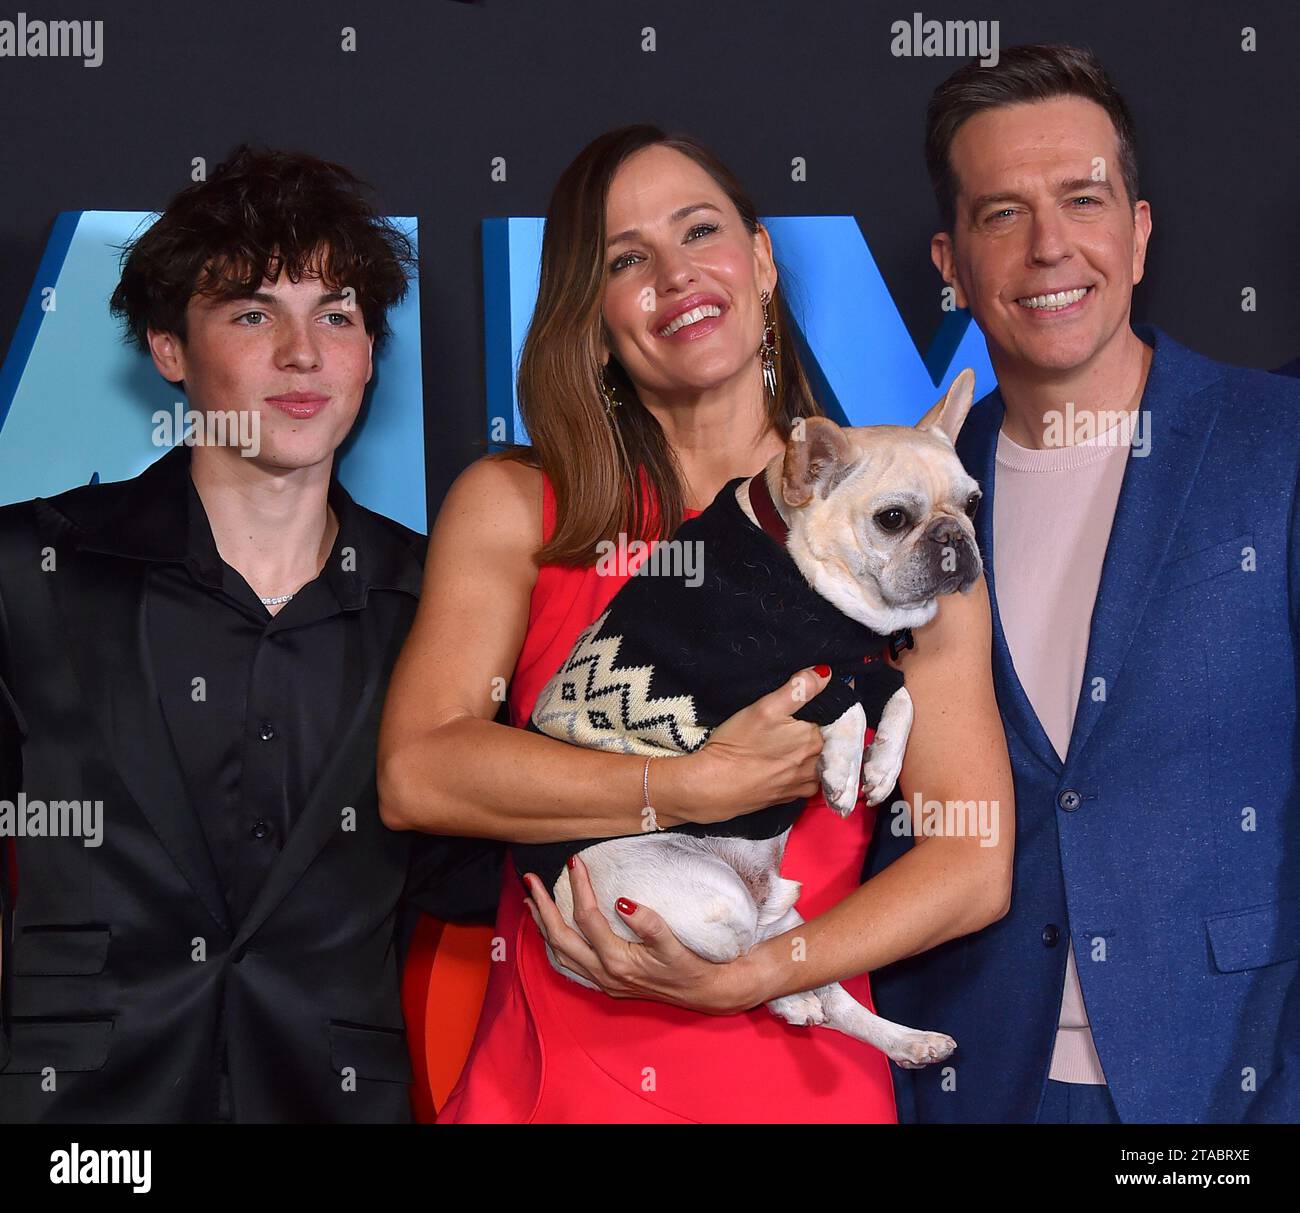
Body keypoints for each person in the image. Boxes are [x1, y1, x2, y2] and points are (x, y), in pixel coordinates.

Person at [378, 124, 1014, 1123]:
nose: (677, 276)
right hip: (550, 1080)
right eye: (628, 259)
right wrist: (684, 784)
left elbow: (970, 860)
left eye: (700, 232)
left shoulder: (900, 511)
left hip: (791, 1074)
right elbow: (418, 774)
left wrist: (758, 970)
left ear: (761, 262)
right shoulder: (517, 504)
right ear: (592, 312)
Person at [0, 145, 503, 1123]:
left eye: (338, 316)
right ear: (168, 346)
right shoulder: (28, 569)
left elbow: (495, 869)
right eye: (251, 312)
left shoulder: (443, 601)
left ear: (367, 354)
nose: (302, 353)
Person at [866, 43, 1300, 1124]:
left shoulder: (1276, 444)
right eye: (1001, 213)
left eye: (1081, 199)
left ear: (1139, 233)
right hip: (968, 1072)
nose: (1049, 244)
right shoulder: (904, 495)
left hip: (1226, 1077)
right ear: (950, 262)